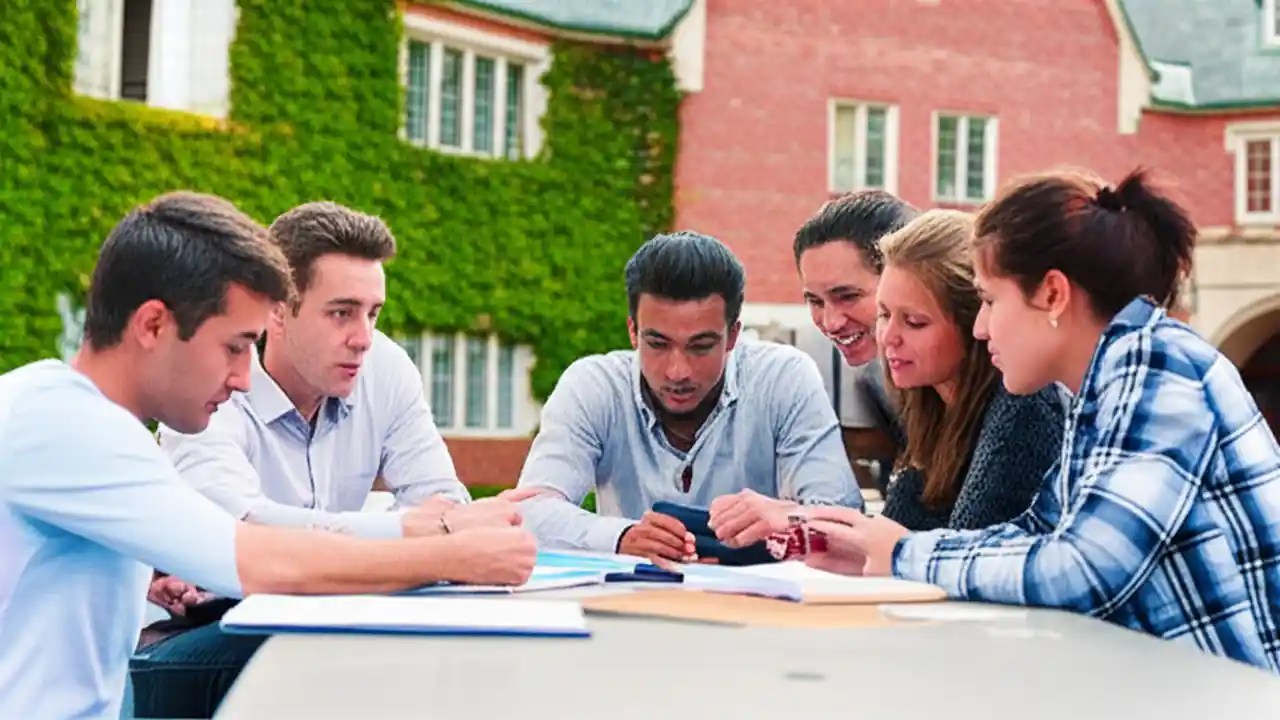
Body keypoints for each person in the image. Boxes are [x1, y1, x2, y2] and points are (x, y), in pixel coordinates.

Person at [0, 192, 536, 720]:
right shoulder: (65, 425)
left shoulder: (79, 422)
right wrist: (453, 554)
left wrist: (144, 575)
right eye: (234, 347)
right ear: (153, 325)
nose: (242, 377)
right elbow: (256, 560)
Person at [798, 168, 1280, 673]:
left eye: (988, 300)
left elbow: (1084, 567)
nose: (981, 328)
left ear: (1052, 295)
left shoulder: (1156, 366)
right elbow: (1034, 532)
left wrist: (901, 555)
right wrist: (875, 548)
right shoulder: (1105, 383)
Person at [509, 230, 863, 561]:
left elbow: (844, 518)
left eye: (701, 346)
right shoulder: (593, 387)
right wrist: (620, 537)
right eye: (658, 344)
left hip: (759, 611)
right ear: (633, 331)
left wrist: (787, 519)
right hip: (632, 607)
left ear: (734, 335)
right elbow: (530, 510)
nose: (678, 371)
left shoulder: (783, 379)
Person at [872, 209, 1062, 530]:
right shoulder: (929, 403)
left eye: (914, 322)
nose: (889, 337)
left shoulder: (1022, 407)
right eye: (883, 314)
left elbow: (971, 549)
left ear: (975, 324)